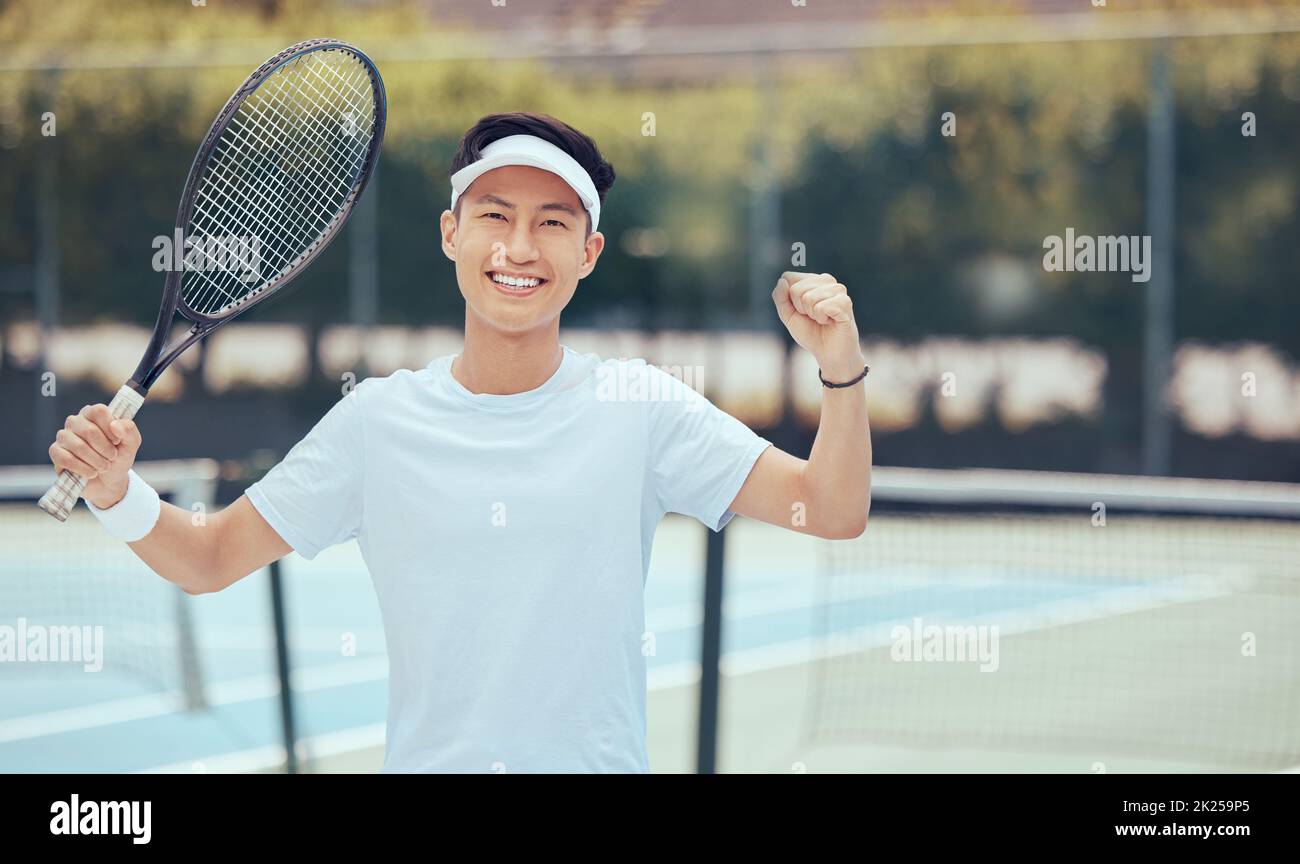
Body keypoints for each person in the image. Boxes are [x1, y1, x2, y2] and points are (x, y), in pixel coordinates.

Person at [47, 111, 872, 773]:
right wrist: (118, 493)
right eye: (495, 216)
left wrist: (841, 367)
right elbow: (208, 557)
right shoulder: (376, 422)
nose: (519, 247)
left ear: (589, 254)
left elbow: (830, 509)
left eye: (552, 223)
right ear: (452, 234)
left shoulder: (642, 405)